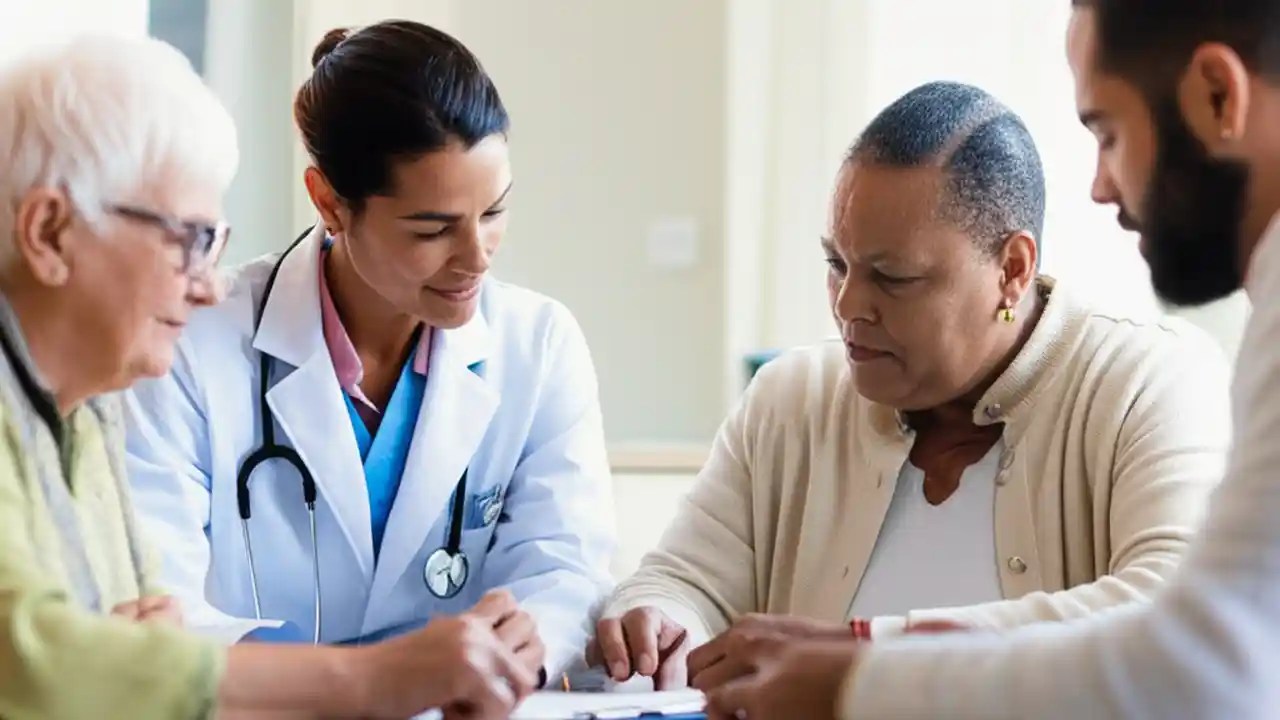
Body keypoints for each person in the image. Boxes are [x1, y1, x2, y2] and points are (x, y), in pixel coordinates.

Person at [696, 2, 1280, 719]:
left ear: (1218, 94)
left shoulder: (1159, 372)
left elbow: (1205, 663)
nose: (1100, 185)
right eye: (835, 263)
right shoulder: (790, 394)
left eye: (1108, 132)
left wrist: (854, 671)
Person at [588, 81, 1233, 692]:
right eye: (835, 264)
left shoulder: (1149, 382)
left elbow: (1173, 606)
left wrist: (861, 656)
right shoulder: (791, 399)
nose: (847, 306)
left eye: (892, 279)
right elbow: (685, 578)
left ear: (1012, 269)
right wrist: (659, 619)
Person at [0, 33, 543, 720]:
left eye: (214, 245)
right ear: (49, 233)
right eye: (189, 240)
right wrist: (369, 679)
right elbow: (37, 660)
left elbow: (129, 653)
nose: (205, 290)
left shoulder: (87, 411)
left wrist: (135, 665)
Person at [123, 19, 615, 677]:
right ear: (329, 201)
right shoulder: (195, 344)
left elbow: (564, 566)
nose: (476, 258)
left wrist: (524, 649)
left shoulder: (539, 346)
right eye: (431, 229)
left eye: (493, 212)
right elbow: (156, 604)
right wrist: (351, 683)